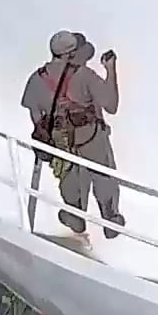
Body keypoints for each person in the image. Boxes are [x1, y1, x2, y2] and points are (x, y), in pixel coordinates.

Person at [24, 30, 124, 242]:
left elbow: (34, 112)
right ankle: (110, 217)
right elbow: (112, 105)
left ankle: (75, 215)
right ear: (71, 54)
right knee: (102, 173)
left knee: (68, 176)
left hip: (60, 140)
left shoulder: (37, 78)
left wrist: (47, 132)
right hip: (90, 136)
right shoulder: (84, 75)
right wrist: (110, 69)